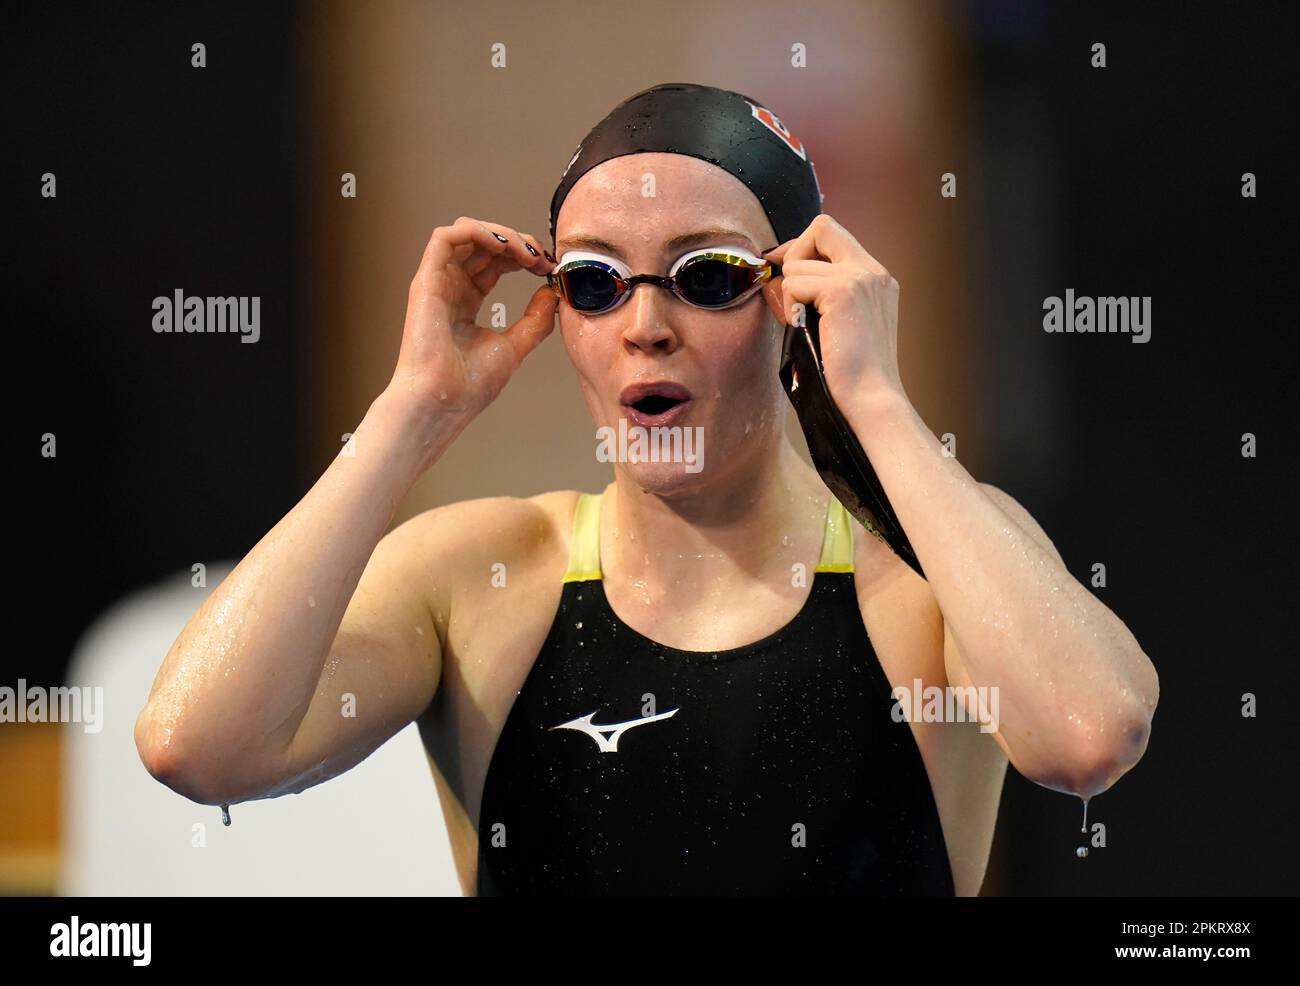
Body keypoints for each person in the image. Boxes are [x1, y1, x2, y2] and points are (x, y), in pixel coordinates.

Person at [135, 83, 1159, 896]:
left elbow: (1087, 734)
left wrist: (876, 401)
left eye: (706, 275)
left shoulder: (930, 571)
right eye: (592, 280)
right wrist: (410, 413)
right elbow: (197, 744)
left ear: (796, 305)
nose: (642, 323)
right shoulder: (483, 578)